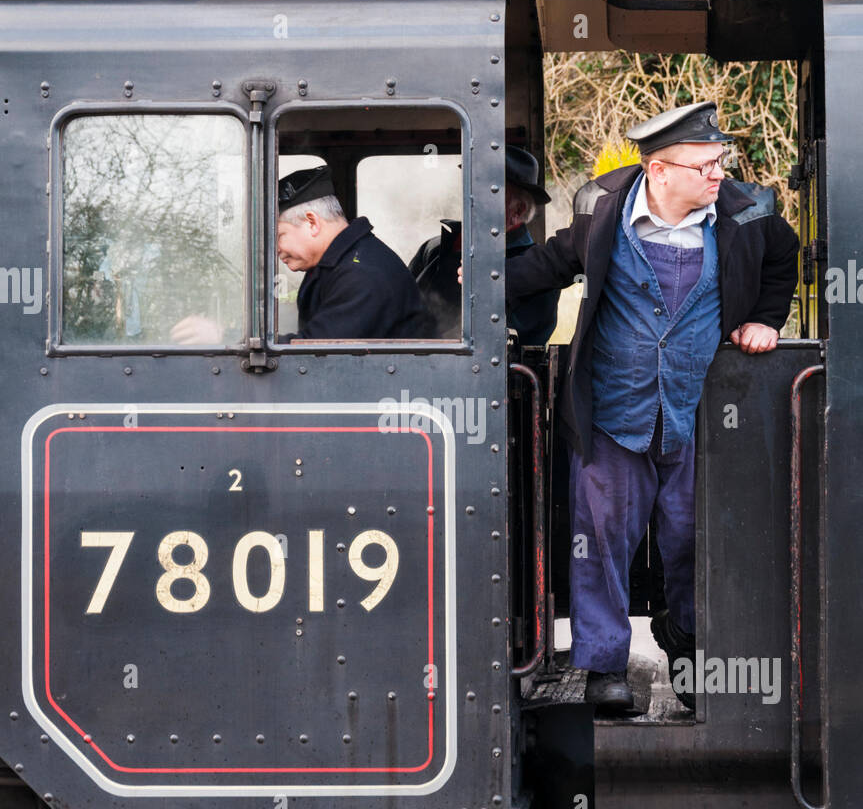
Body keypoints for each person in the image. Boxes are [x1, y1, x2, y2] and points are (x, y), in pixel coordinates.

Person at [505, 102, 799, 715]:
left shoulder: (749, 213)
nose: (719, 173)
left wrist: (764, 320)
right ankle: (604, 667)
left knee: (691, 536)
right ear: (659, 171)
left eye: (721, 161)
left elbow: (784, 256)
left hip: (697, 417)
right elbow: (552, 262)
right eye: (705, 165)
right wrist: (477, 280)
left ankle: (689, 651)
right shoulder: (602, 211)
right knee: (602, 537)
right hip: (613, 412)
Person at [172, 164, 434, 344]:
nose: (276, 251)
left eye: (279, 236)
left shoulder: (363, 275)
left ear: (311, 222)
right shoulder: (340, 263)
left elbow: (312, 353)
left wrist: (225, 338)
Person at [411, 146, 560, 342]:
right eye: (472, 185)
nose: (472, 197)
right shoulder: (434, 248)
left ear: (517, 210)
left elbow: (503, 344)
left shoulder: (536, 269)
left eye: (489, 191)